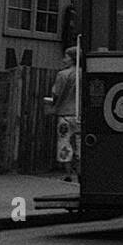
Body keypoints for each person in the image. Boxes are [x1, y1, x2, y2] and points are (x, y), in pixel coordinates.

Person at [44, 49, 80, 182]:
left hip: (64, 114)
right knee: (79, 143)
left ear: (72, 59)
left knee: (64, 143)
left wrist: (51, 104)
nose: (64, 60)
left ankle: (68, 174)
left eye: (66, 57)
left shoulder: (62, 75)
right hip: (80, 114)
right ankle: (81, 172)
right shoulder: (84, 74)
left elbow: (56, 93)